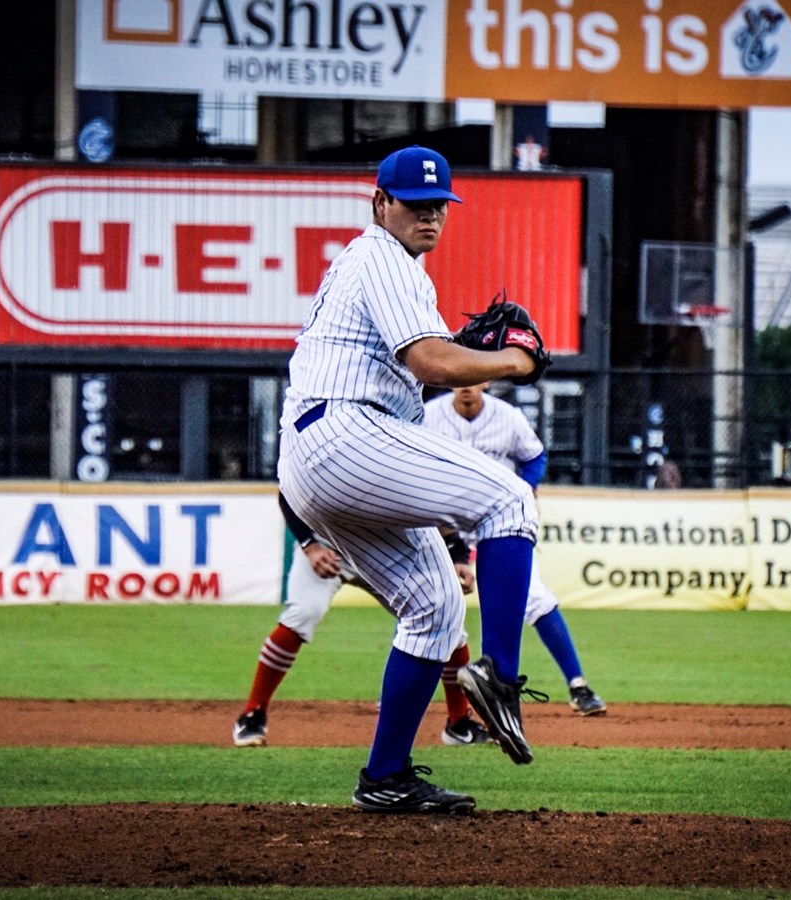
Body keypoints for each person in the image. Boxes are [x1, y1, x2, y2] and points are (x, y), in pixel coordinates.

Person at [276, 145, 545, 814]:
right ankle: (502, 679)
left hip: (320, 453)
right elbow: (429, 361)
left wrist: (473, 352)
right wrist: (514, 360)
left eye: (437, 207)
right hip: (344, 433)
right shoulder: (381, 256)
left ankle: (386, 777)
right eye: (413, 204)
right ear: (380, 203)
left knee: (433, 606)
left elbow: (426, 357)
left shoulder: (380, 268)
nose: (428, 216)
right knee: (510, 498)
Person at [232, 494, 496, 749]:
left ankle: (459, 723)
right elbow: (288, 494)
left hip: (379, 550)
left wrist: (459, 556)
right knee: (303, 614)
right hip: (326, 544)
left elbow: (433, 507)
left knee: (444, 620)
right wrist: (310, 545)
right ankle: (253, 713)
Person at [422, 383, 607, 716]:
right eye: (459, 378)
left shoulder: (508, 417)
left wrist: (529, 486)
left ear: (485, 380)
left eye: (472, 378)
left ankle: (578, 685)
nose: (466, 386)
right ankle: (411, 694)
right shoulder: (430, 416)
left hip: (497, 523)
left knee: (535, 597)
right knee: (426, 602)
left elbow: (534, 457)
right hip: (445, 524)